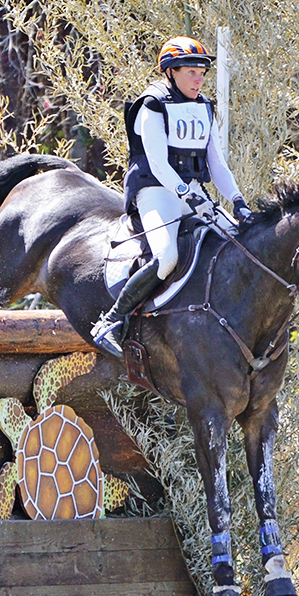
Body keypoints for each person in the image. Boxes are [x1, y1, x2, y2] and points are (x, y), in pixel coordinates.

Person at [91, 36, 253, 358]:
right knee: (166, 257)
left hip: (191, 193)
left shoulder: (204, 107)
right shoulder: (152, 104)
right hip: (156, 191)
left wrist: (238, 201)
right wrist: (186, 194)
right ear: (171, 72)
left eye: (202, 72)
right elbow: (157, 162)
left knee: (238, 244)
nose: (199, 79)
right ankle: (111, 321)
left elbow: (216, 164)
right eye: (191, 72)